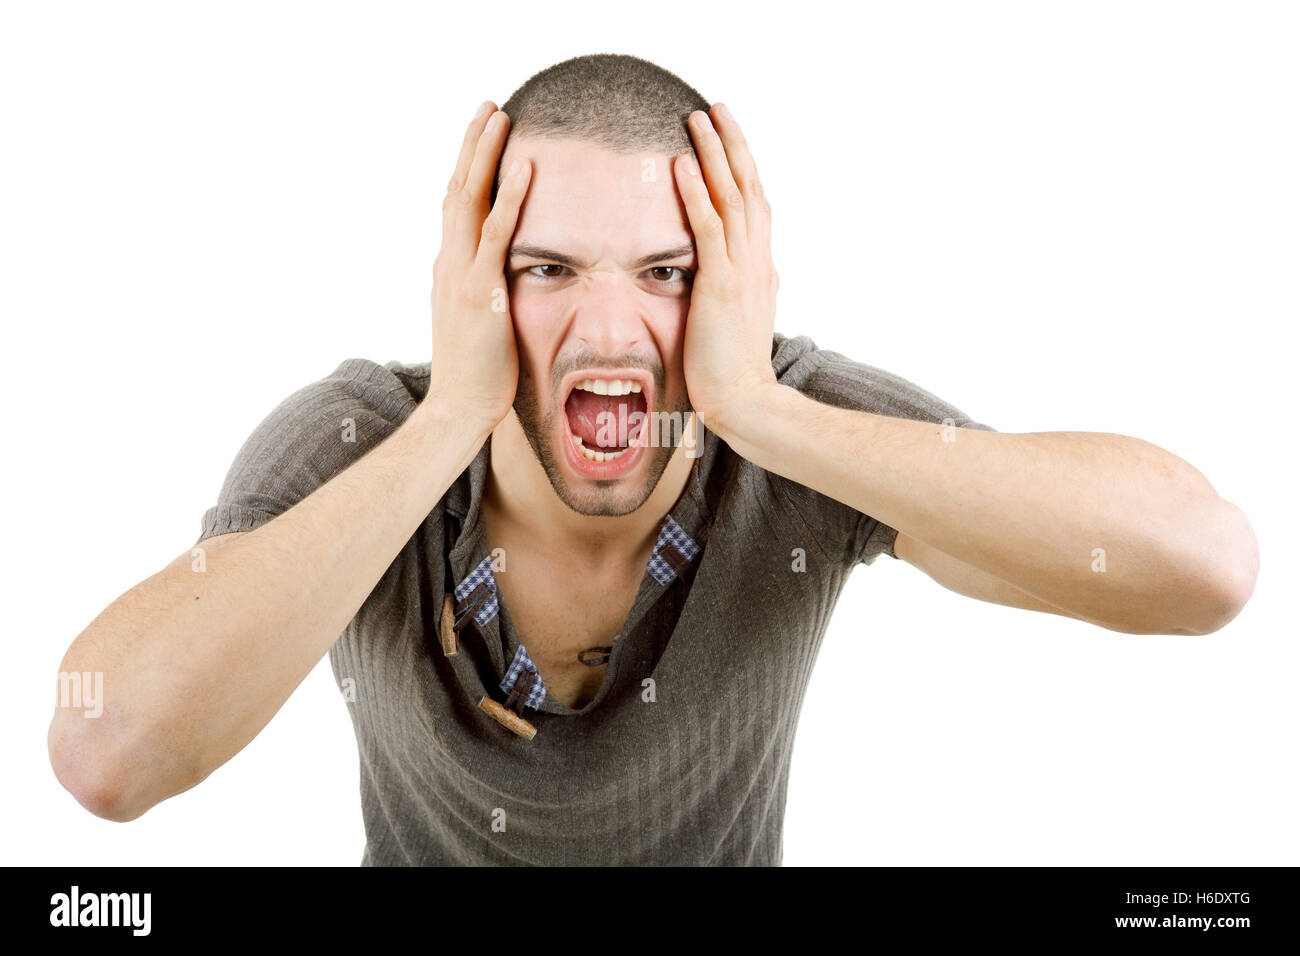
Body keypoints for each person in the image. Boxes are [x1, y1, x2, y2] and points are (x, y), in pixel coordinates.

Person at [48, 53, 1259, 865]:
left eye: (669, 274)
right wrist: (446, 425)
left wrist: (760, 411)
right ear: (474, 286)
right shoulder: (365, 438)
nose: (615, 327)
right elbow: (104, 751)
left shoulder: (795, 432)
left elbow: (1202, 564)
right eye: (547, 268)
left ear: (731, 287)